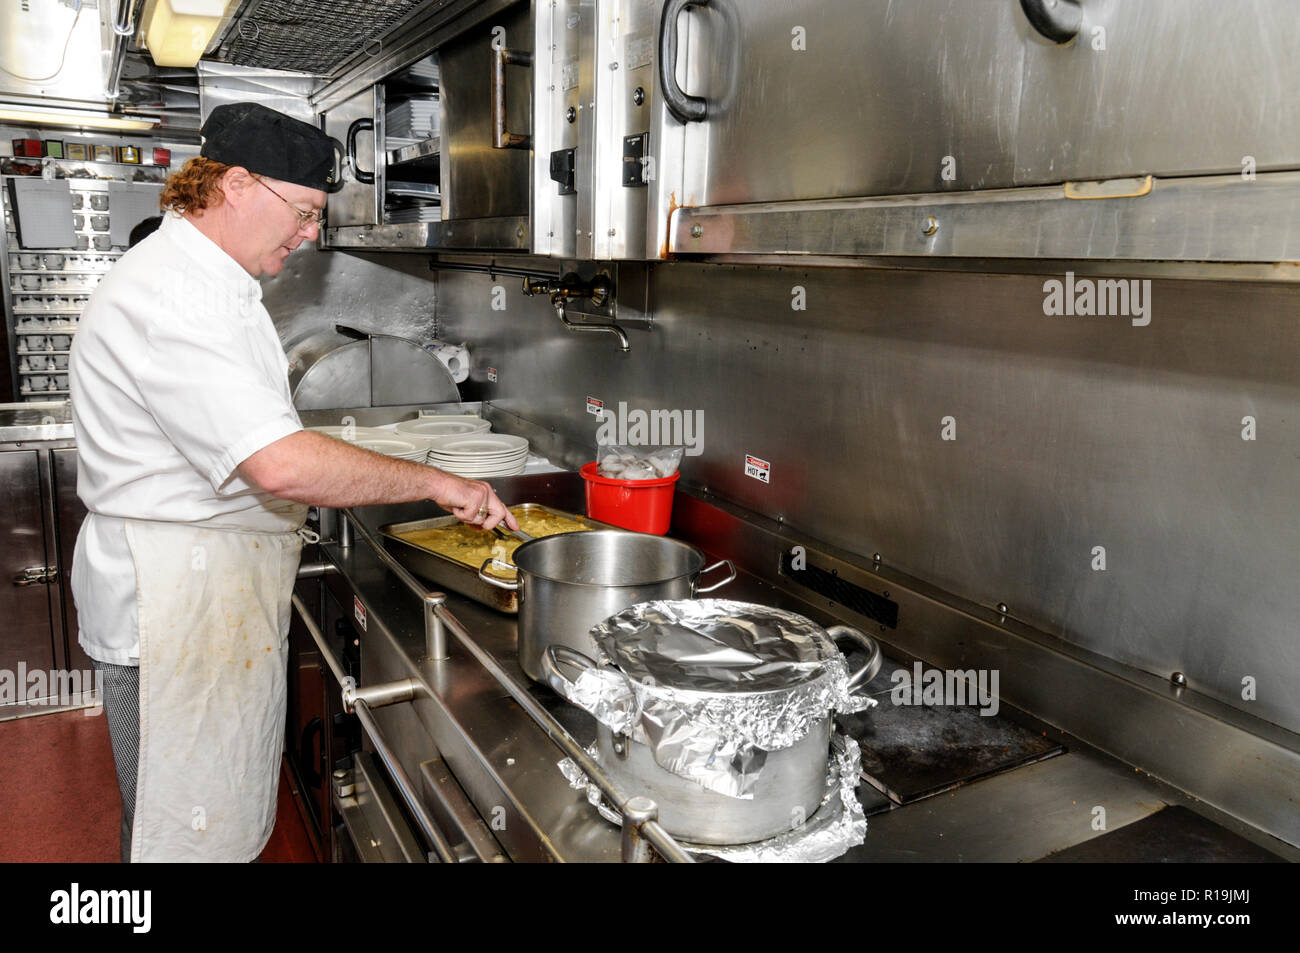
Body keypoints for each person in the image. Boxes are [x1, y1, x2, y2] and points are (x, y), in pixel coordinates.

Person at [68, 102, 517, 863]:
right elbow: (276, 459)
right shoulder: (176, 295)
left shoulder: (215, 282)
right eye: (305, 212)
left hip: (203, 595)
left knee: (196, 817)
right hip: (172, 609)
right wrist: (438, 481)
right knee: (174, 828)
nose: (310, 233)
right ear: (236, 184)